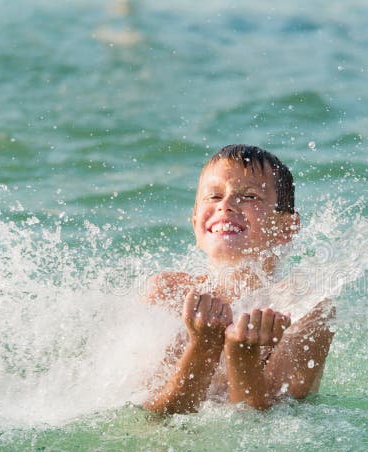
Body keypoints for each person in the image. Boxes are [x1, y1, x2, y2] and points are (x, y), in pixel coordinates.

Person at [143, 144, 334, 414]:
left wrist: (241, 355)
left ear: (286, 228)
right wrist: (203, 348)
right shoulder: (169, 293)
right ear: (196, 221)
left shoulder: (309, 309)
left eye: (250, 196)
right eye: (214, 196)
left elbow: (263, 426)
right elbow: (154, 416)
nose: (226, 205)